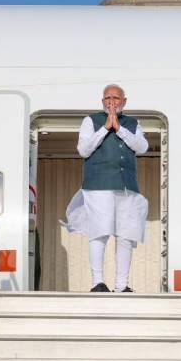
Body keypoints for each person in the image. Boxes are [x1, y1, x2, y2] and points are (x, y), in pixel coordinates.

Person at [65, 83, 150, 292]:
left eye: (116, 98)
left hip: (127, 186)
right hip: (98, 185)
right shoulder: (91, 121)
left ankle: (122, 285)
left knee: (126, 235)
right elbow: (83, 150)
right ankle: (98, 282)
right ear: (102, 101)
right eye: (108, 98)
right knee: (99, 232)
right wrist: (105, 128)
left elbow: (142, 147)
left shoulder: (132, 123)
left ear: (124, 101)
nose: (112, 102)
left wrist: (119, 129)